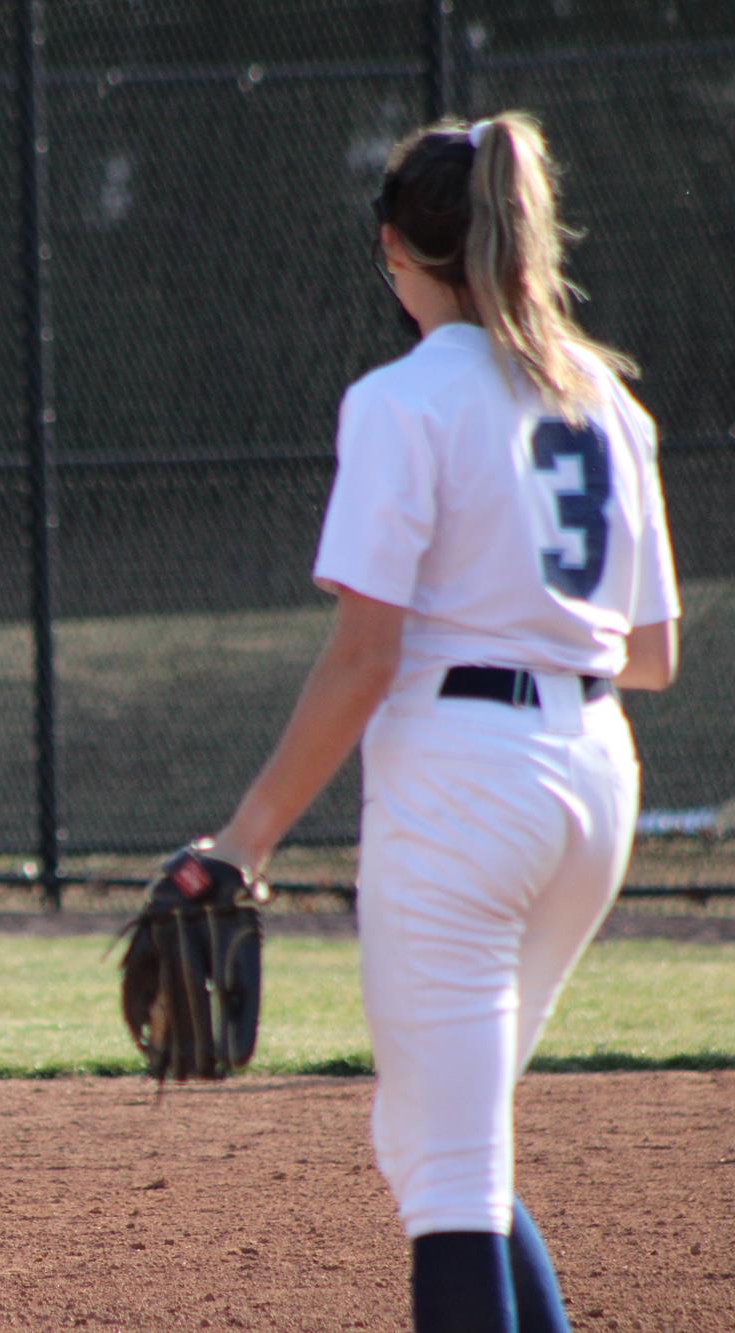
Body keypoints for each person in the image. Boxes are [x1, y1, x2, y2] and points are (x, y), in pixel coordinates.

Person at [199, 113, 680, 1330]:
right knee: (435, 1144)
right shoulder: (605, 403)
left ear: (395, 252)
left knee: (448, 1170)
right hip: (593, 776)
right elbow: (649, 654)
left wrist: (240, 841)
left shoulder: (402, 397)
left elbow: (365, 657)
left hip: (466, 782)